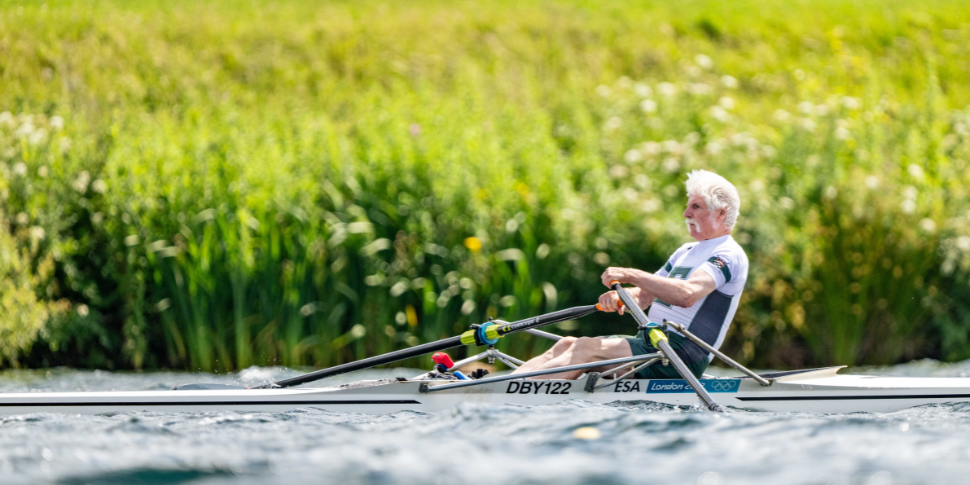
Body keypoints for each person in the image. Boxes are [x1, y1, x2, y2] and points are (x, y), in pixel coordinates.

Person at [512, 169, 748, 380]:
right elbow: (645, 296)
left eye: (696, 206)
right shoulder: (685, 251)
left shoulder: (728, 254)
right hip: (654, 342)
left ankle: (513, 397)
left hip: (681, 353)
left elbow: (686, 295)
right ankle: (499, 387)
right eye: (688, 205)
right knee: (567, 344)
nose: (686, 213)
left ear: (720, 213)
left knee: (585, 349)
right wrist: (622, 297)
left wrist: (630, 274)